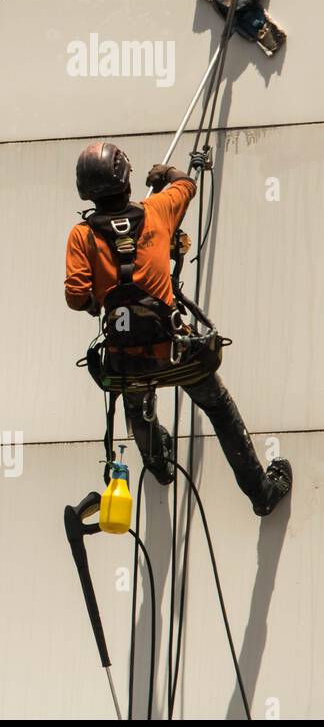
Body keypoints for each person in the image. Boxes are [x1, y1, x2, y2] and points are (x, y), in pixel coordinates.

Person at [64, 141, 290, 517]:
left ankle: (160, 465)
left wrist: (99, 304)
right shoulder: (158, 210)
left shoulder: (82, 236)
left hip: (127, 364)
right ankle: (260, 490)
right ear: (126, 179)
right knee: (218, 407)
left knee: (137, 407)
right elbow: (186, 184)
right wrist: (164, 174)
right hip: (176, 353)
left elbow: (75, 296)